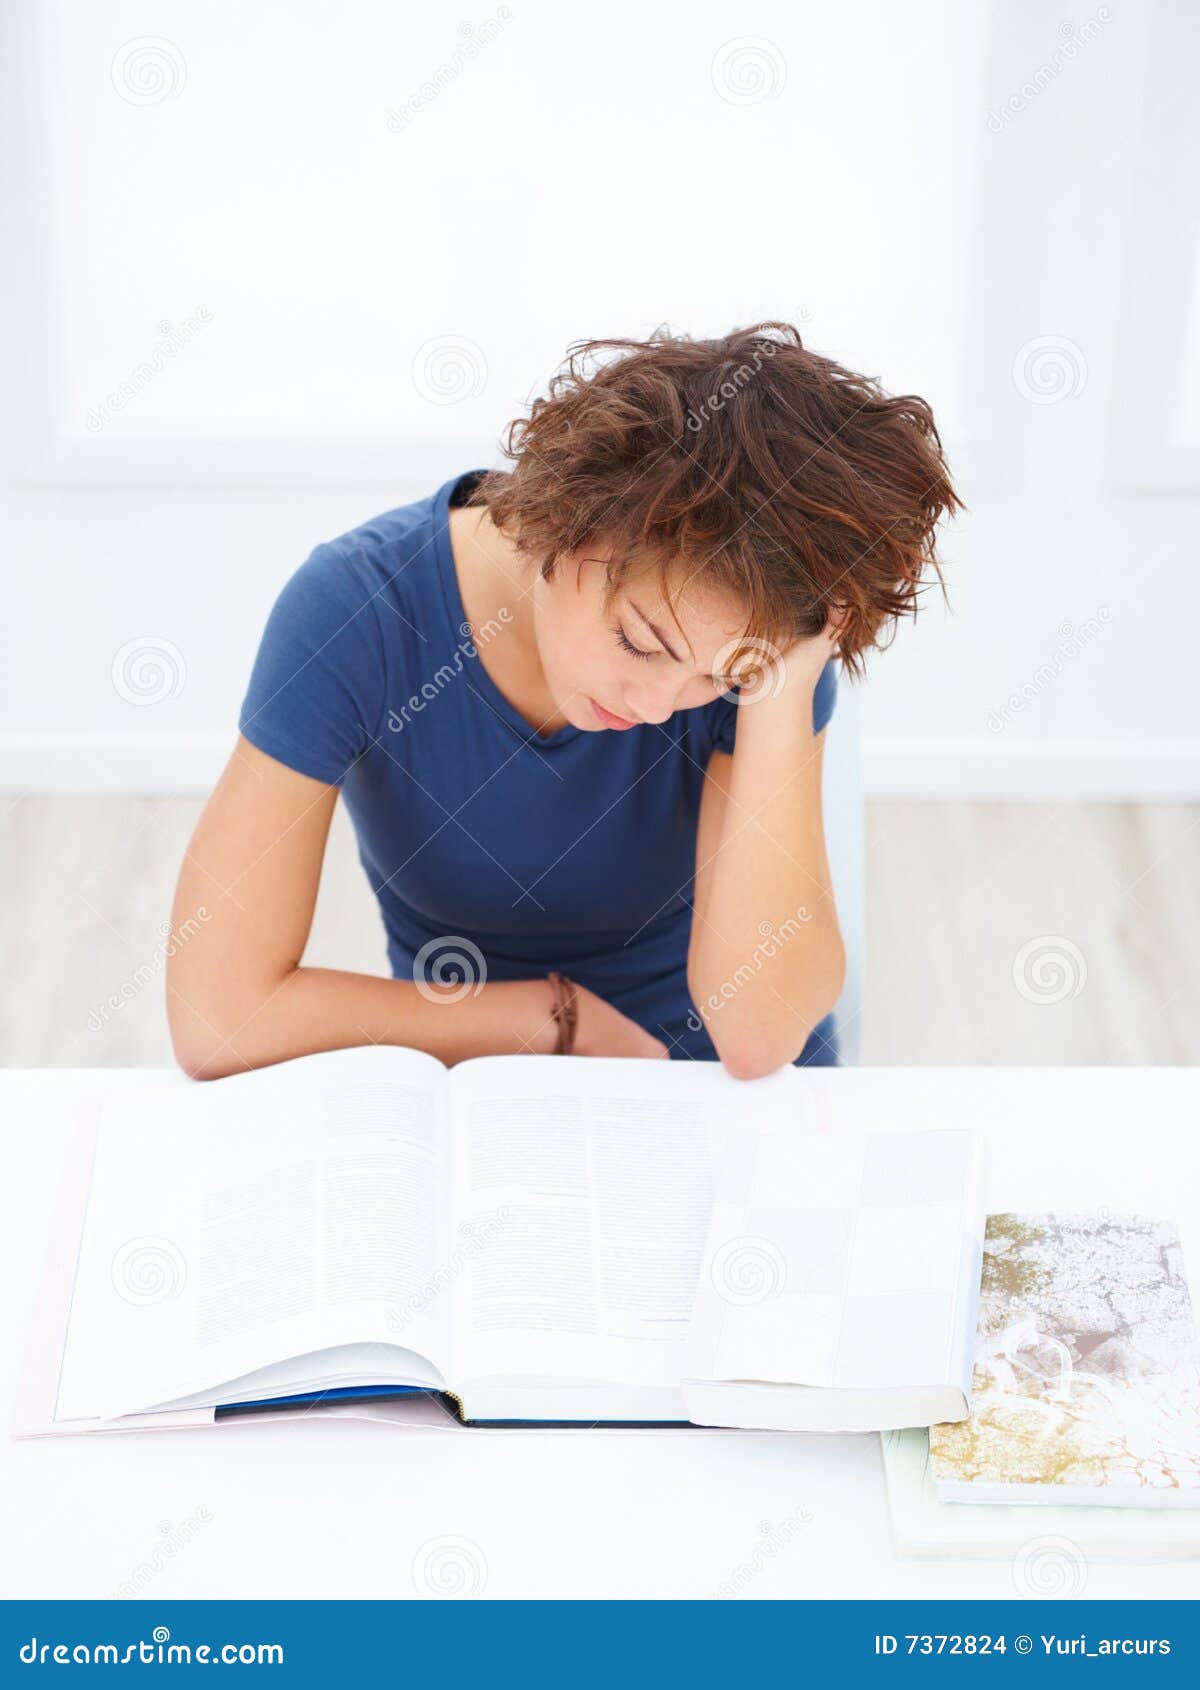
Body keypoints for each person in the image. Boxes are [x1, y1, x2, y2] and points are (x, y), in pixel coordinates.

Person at [167, 322, 961, 1080]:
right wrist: (551, 1022)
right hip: (470, 1075)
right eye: (642, 643)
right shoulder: (358, 610)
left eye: (715, 680)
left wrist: (784, 682)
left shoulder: (760, 649)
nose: (659, 705)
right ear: (566, 523)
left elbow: (757, 1036)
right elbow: (218, 1014)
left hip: (719, 1091)